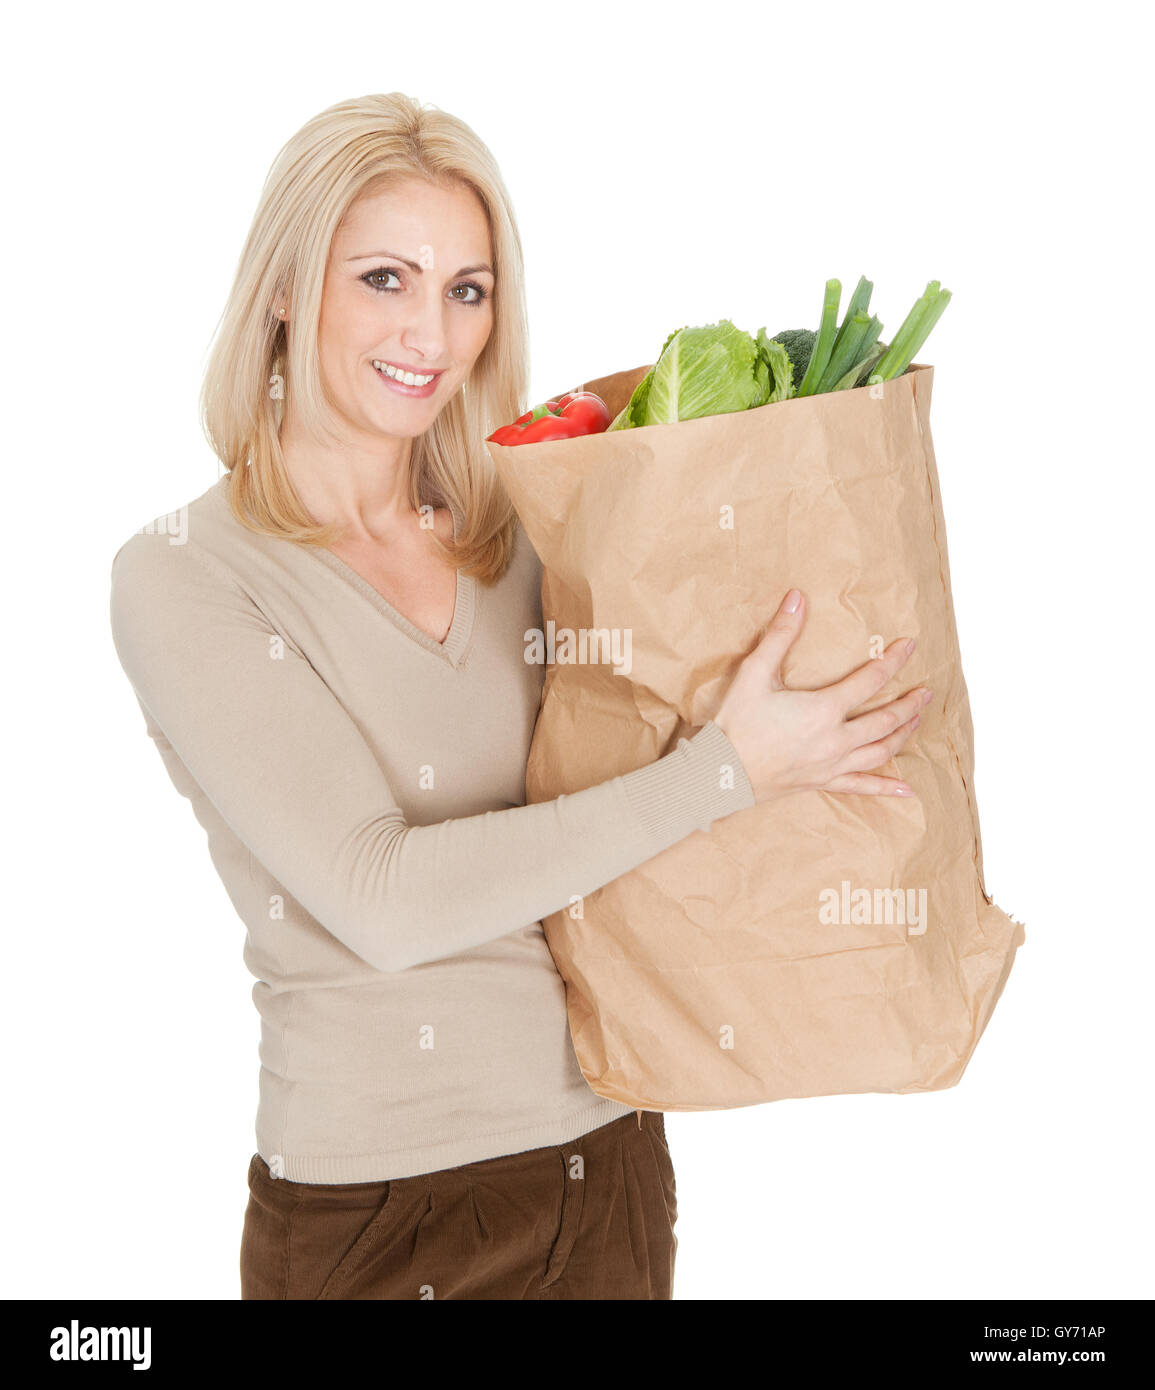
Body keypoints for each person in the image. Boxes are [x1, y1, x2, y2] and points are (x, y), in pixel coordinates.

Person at [108, 92, 928, 1301]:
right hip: (379, 1215)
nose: (430, 333)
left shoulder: (525, 537)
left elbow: (623, 792)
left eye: (467, 289)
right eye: (384, 277)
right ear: (284, 288)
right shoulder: (187, 574)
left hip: (607, 1162)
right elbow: (381, 896)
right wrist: (727, 769)